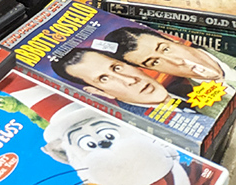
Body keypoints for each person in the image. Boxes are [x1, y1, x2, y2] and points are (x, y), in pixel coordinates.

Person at [52, 47, 196, 110]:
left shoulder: (186, 88)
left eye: (117, 68)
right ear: (100, 92)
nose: (130, 80)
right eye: (104, 79)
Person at [107, 26, 236, 87]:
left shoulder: (228, 41)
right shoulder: (206, 108)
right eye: (155, 62)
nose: (177, 62)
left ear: (171, 39)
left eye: (166, 49)